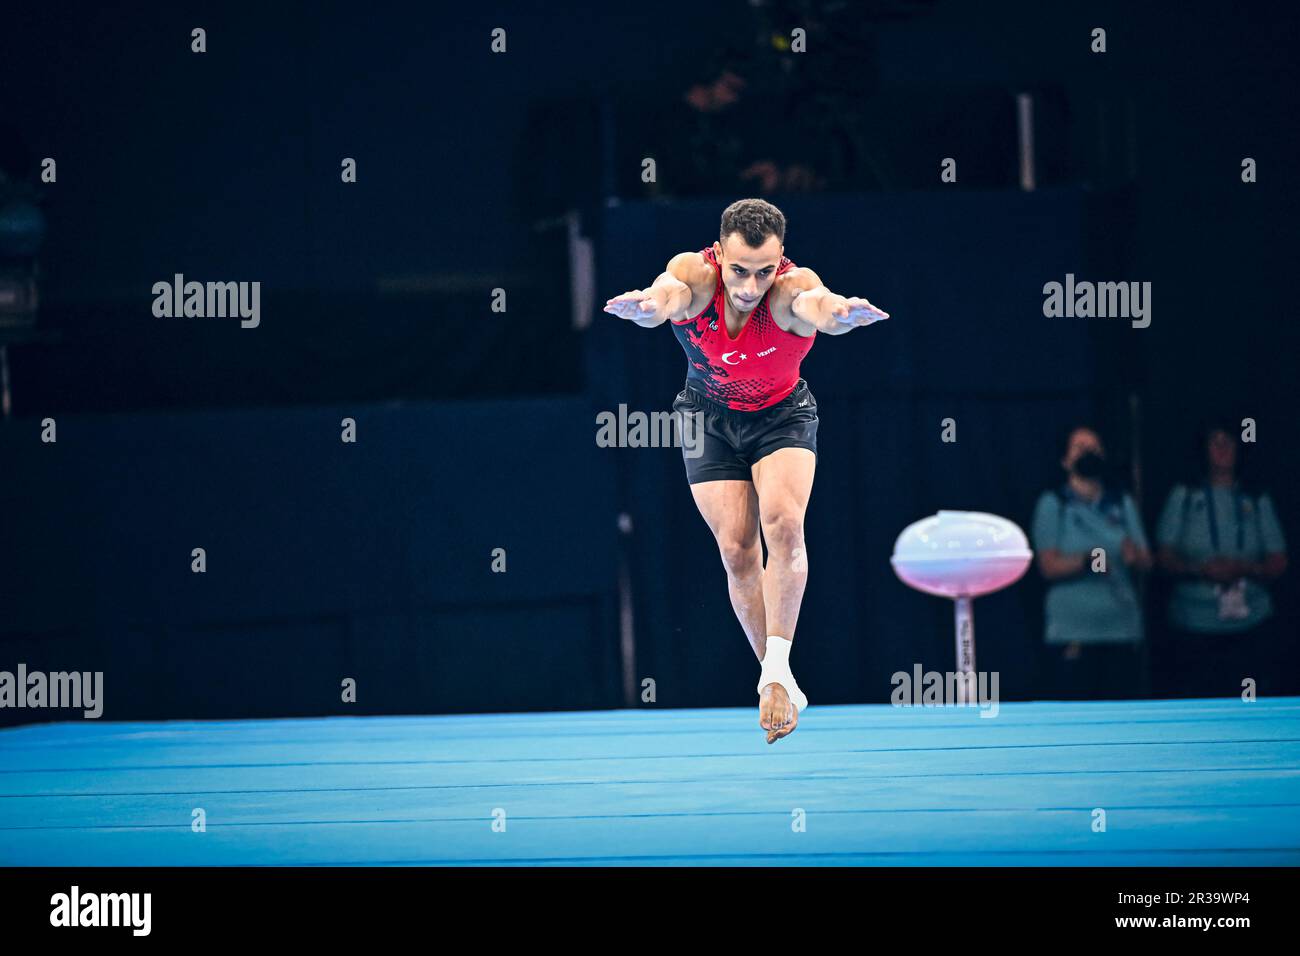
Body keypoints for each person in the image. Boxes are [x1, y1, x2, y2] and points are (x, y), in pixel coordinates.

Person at [603, 198, 889, 743]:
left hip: (782, 417)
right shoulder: (696, 275)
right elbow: (668, 295)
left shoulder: (788, 289)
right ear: (719, 252)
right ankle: (774, 673)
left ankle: (777, 672)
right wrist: (648, 307)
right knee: (736, 550)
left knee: (781, 524)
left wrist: (842, 315)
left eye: (763, 271)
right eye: (739, 271)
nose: (751, 286)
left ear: (779, 259)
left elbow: (817, 306)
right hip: (706, 418)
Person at [1155, 420, 1288, 697]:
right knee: (1199, 700)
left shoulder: (1255, 496)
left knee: (1250, 700)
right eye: (1215, 442)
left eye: (1229, 441)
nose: (1223, 449)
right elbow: (1163, 557)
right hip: (1194, 622)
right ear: (1203, 450)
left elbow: (1279, 559)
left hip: (1251, 621)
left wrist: (1245, 568)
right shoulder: (1185, 494)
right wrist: (1200, 569)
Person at [1030, 425, 1153, 699]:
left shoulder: (1121, 502)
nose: (1088, 454)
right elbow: (1048, 566)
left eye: (1094, 448)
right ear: (1065, 460)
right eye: (1080, 448)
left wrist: (1134, 557)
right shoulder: (1054, 504)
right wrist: (1088, 560)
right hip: (1072, 633)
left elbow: (1146, 560)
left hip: (1121, 629)